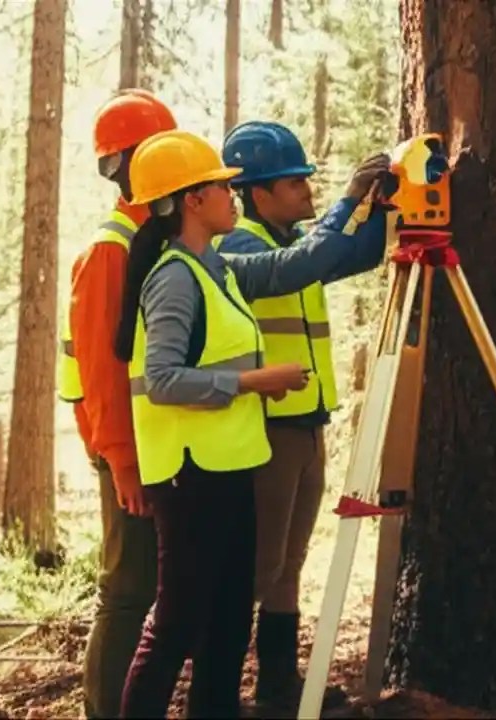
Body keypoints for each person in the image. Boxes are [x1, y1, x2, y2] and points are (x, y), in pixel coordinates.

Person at [115, 129, 390, 719]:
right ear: (192, 200)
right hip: (189, 475)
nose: (231, 193)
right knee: (177, 623)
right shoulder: (173, 277)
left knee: (232, 616)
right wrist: (250, 383)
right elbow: (162, 378)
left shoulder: (219, 268)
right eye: (222, 185)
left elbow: (298, 264)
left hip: (232, 465)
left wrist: (361, 204)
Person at [215, 120, 382, 712]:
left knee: (289, 567)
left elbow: (359, 252)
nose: (306, 188)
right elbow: (297, 265)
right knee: (258, 570)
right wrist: (348, 201)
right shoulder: (236, 245)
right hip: (267, 431)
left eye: (308, 179)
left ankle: (278, 690)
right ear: (257, 193)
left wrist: (378, 208)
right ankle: (219, 695)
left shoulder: (296, 240)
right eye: (292, 182)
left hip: (309, 427)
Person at [55, 89, 176, 720]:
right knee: (128, 591)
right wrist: (123, 461)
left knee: (154, 586)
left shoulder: (157, 236)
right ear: (126, 164)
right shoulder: (114, 247)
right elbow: (103, 372)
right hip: (125, 448)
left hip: (157, 443)